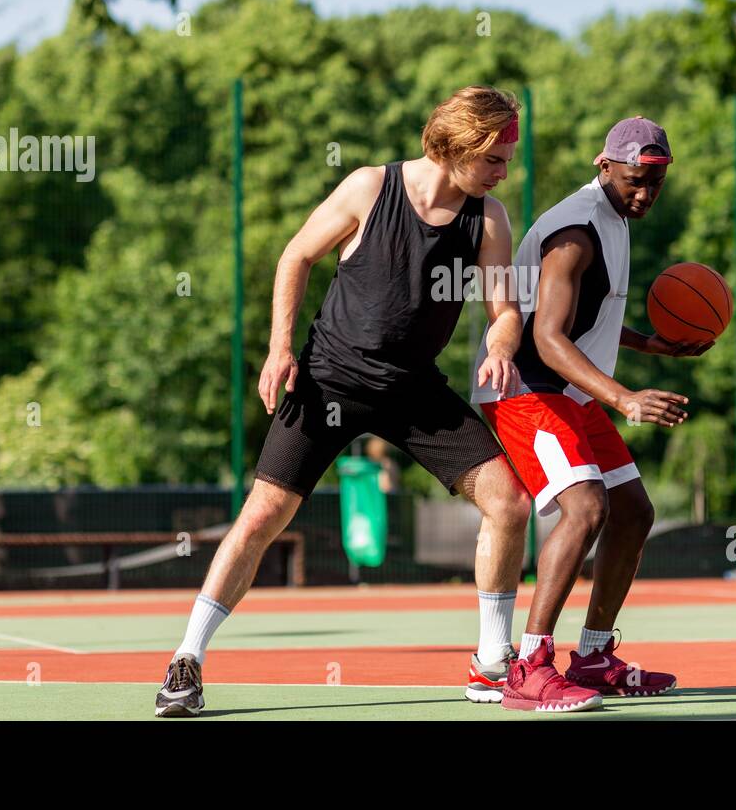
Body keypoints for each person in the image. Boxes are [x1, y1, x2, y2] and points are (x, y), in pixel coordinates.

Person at [156, 86, 533, 716]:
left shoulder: (488, 218)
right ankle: (186, 661)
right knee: (260, 517)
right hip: (328, 380)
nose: (503, 171)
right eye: (495, 159)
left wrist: (500, 343)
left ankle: (492, 663)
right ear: (459, 146)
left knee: (510, 502)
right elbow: (296, 255)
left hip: (413, 392)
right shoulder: (369, 188)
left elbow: (504, 309)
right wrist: (280, 349)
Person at [471, 116, 711, 712]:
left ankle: (597, 656)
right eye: (634, 180)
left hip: (570, 391)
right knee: (585, 507)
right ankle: (526, 666)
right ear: (604, 166)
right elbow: (548, 336)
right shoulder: (575, 232)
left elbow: (588, 320)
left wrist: (649, 344)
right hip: (526, 388)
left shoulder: (615, 217)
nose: (644, 194)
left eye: (655, 183)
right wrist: (624, 396)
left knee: (632, 510)